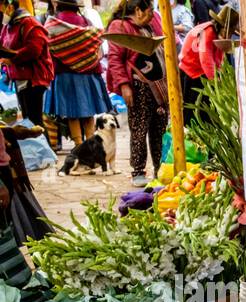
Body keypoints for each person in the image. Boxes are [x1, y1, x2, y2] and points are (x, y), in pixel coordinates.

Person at [106, 0, 167, 186]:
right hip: (138, 87)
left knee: (160, 130)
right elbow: (115, 59)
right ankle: (138, 171)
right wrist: (124, 85)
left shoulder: (150, 24)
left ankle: (160, 168)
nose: (151, 14)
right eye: (149, 11)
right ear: (138, 10)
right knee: (139, 129)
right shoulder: (120, 26)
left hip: (158, 87)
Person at [43, 0, 112, 151]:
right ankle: (92, 144)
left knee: (72, 113)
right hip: (88, 72)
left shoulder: (52, 24)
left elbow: (48, 46)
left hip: (64, 74)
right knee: (88, 113)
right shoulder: (85, 21)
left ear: (58, 5)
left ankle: (79, 146)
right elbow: (96, 42)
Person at [0, 0, 54, 133]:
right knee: (27, 120)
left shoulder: (29, 23)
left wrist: (13, 58)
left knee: (35, 120)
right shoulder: (8, 26)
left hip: (34, 78)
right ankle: (36, 153)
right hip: (19, 78)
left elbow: (34, 49)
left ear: (10, 6)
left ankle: (45, 153)